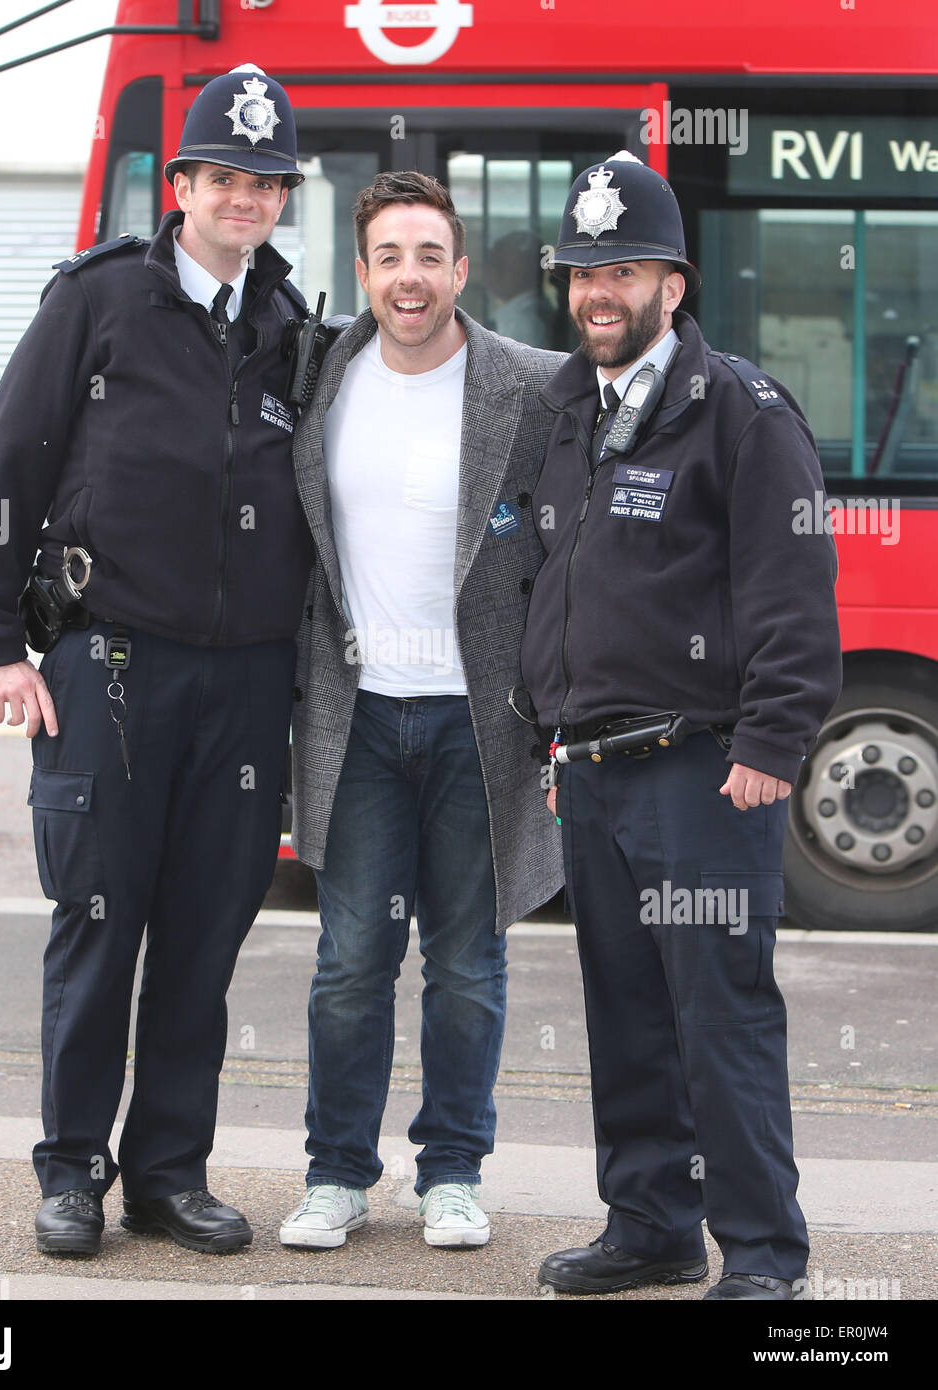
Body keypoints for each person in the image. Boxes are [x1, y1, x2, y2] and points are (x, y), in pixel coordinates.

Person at [0, 65, 312, 1258]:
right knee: (99, 922)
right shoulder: (99, 301)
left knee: (205, 939)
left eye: (266, 184)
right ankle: (71, 1173)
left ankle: (169, 1173)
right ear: (183, 187)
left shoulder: (287, 324)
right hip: (110, 664)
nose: (245, 200)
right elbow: (7, 463)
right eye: (226, 179)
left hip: (247, 679)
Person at [520, 152, 841, 1300]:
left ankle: (761, 1256)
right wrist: (553, 734)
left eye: (621, 268)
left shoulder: (737, 412)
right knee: (629, 1019)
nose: (597, 292)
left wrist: (770, 746)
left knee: (722, 1021)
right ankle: (649, 1221)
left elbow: (795, 593)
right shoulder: (570, 409)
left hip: (703, 777)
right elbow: (557, 586)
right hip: (596, 773)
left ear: (671, 280)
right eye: (581, 271)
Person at [278, 171, 565, 1249]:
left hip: (474, 721)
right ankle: (337, 1173)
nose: (410, 277)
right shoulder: (319, 377)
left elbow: (567, 548)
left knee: (469, 961)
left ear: (458, 268)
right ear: (362, 273)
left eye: (429, 256)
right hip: (355, 718)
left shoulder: (531, 388)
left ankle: (450, 1171)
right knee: (350, 957)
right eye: (389, 257)